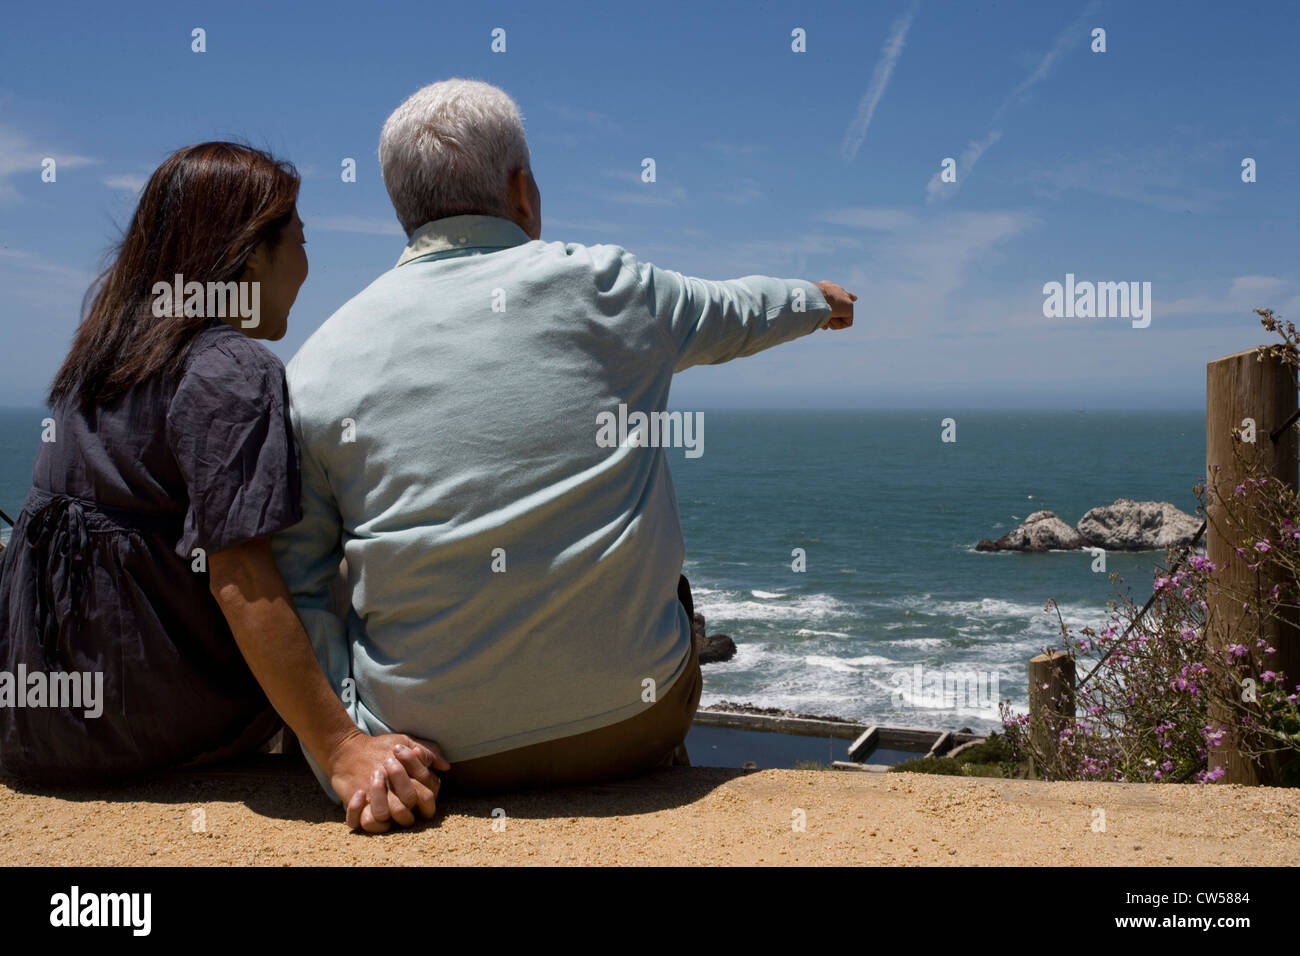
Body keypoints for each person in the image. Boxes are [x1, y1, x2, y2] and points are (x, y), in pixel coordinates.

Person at [272, 79, 856, 800]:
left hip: (423, 754)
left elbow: (294, 585)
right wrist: (817, 301)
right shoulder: (613, 287)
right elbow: (736, 309)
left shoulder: (318, 364)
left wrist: (348, 747)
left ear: (401, 206)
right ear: (524, 192)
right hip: (631, 724)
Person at [0, 142, 443, 832]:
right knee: (330, 563)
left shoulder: (103, 355)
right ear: (250, 253)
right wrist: (341, 748)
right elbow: (240, 576)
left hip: (37, 725)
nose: (306, 263)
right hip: (141, 729)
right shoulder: (231, 371)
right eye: (298, 239)